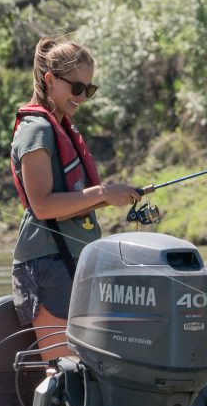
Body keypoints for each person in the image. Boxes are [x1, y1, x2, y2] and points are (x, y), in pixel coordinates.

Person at [10, 37, 141, 359]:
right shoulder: (36, 130)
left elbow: (72, 200)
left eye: (89, 90)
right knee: (63, 371)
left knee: (84, 370)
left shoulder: (60, 128)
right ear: (50, 80)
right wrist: (102, 192)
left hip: (75, 260)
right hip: (47, 264)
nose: (82, 97)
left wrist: (112, 195)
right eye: (77, 88)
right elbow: (43, 205)